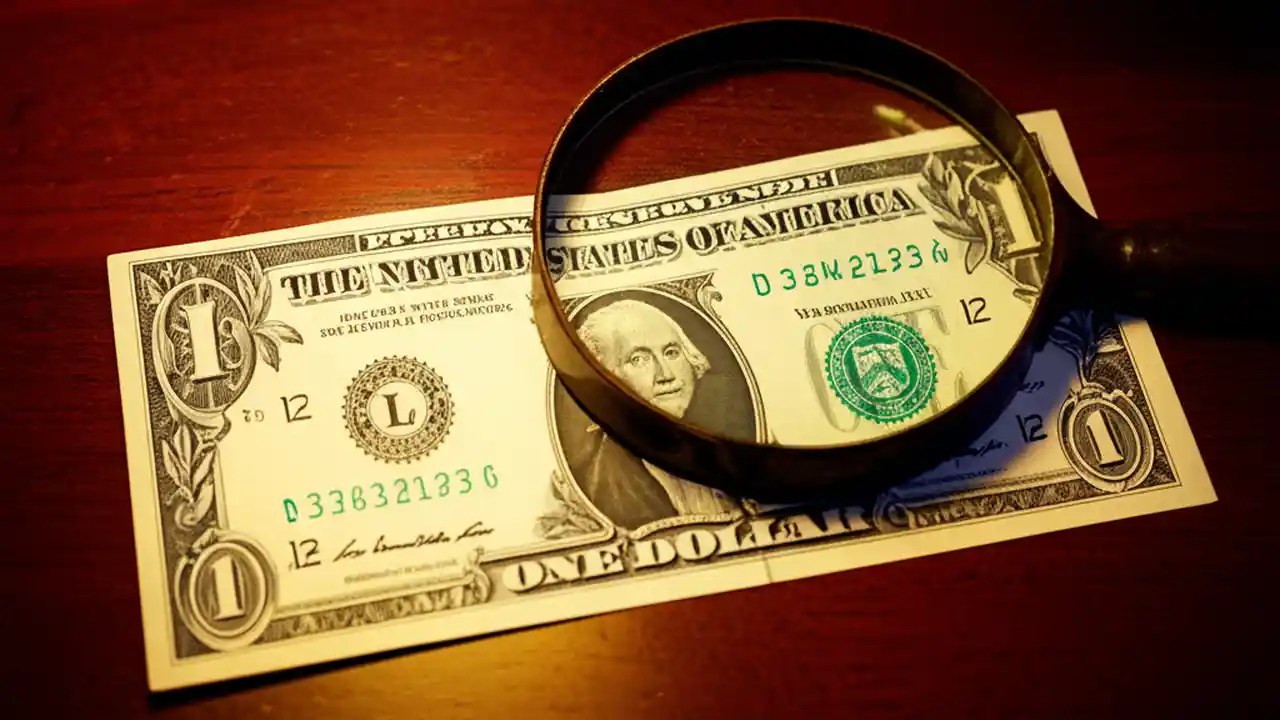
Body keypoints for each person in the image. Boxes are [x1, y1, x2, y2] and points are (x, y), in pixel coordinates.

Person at [564, 298, 742, 529]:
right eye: (639, 359)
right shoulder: (592, 482)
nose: (666, 374)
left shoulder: (724, 449)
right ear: (604, 377)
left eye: (671, 352)